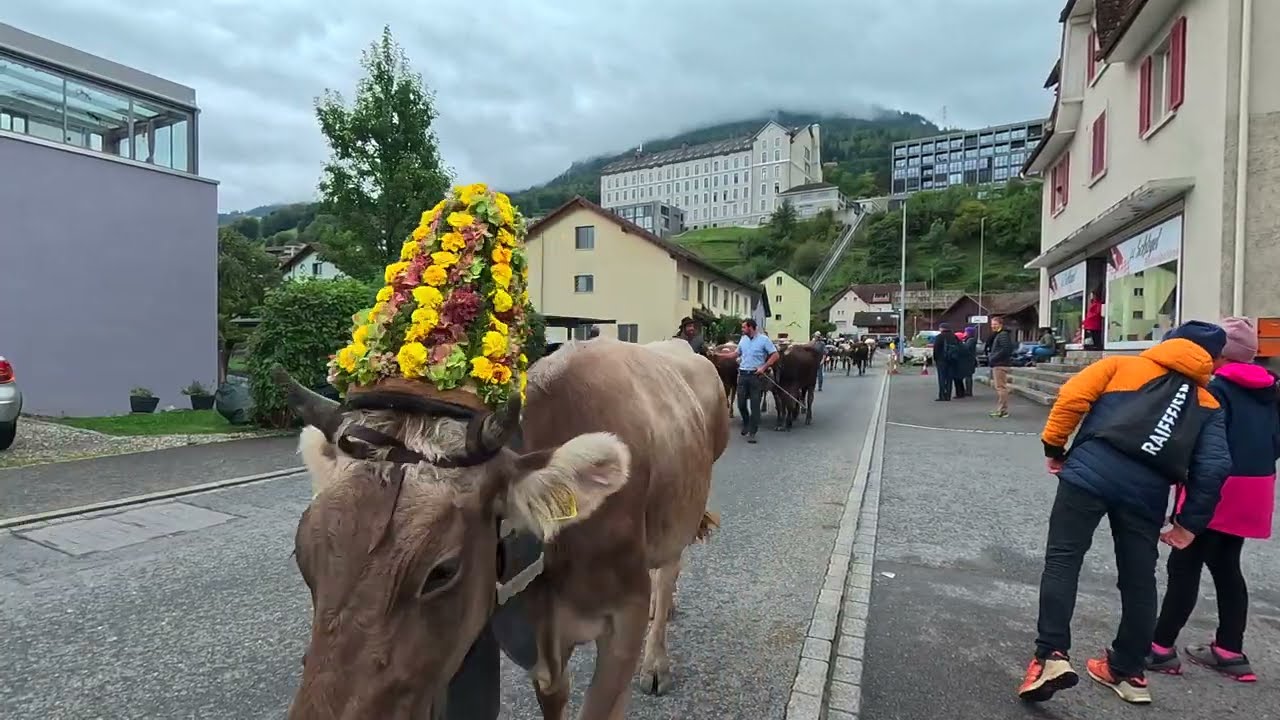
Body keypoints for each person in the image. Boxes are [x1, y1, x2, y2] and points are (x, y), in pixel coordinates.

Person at [1018, 321, 1232, 706]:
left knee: (1064, 561)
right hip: (1147, 493)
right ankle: (1128, 671)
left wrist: (1054, 448)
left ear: (1168, 343)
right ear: (1213, 359)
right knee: (1138, 579)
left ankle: (1050, 656)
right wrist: (1190, 525)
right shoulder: (1208, 404)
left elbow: (1071, 399)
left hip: (1089, 473)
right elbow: (1214, 467)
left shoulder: (1121, 365)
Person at [1148, 318, 1280, 681]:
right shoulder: (1271, 388)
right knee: (1227, 565)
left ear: (1218, 354)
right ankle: (1229, 649)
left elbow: (1192, 439)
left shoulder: (1213, 387)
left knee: (1184, 565)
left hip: (1215, 483)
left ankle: (1159, 647)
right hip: (1257, 484)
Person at [733, 318, 779, 444]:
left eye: (743, 327)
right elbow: (736, 354)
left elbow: (775, 355)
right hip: (742, 374)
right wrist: (718, 355)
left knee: (755, 405)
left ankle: (753, 432)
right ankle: (746, 422)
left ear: (751, 327)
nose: (742, 330)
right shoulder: (743, 339)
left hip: (756, 376)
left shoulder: (764, 340)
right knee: (741, 404)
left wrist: (764, 367)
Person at [985, 316, 1015, 418]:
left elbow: (1006, 349)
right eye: (992, 324)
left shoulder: (1002, 335)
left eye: (995, 324)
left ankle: (1002, 410)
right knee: (1000, 387)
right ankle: (1002, 409)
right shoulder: (1000, 334)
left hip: (1000, 364)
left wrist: (993, 358)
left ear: (1000, 325)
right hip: (999, 363)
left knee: (1001, 387)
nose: (993, 326)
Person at [932, 323, 960, 401]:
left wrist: (935, 359)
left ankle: (942, 395)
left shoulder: (939, 337)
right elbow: (959, 347)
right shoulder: (954, 337)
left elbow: (936, 349)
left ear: (942, 328)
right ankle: (948, 395)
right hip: (952, 360)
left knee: (942, 378)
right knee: (949, 378)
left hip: (941, 360)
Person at [954, 325, 979, 398]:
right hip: (969, 360)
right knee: (968, 376)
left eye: (966, 332)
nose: (965, 333)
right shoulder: (970, 339)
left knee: (968, 376)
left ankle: (968, 391)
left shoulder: (970, 340)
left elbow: (966, 348)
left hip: (969, 361)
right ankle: (968, 390)